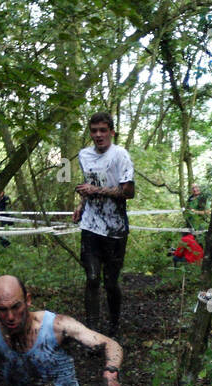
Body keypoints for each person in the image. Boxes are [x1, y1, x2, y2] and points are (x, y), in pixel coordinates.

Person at [72, 112, 134, 337]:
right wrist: (81, 205)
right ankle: (91, 331)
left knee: (110, 282)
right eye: (94, 130)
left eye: (103, 130)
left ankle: (114, 327)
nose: (98, 135)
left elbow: (129, 192)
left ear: (111, 132)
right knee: (91, 278)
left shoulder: (120, 155)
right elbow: (90, 184)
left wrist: (97, 190)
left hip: (115, 229)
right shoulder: (84, 155)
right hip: (90, 226)